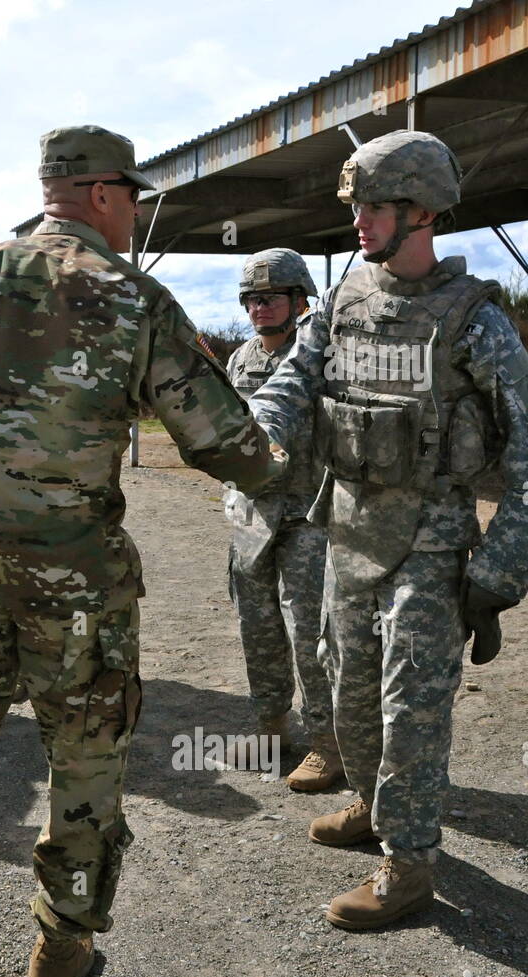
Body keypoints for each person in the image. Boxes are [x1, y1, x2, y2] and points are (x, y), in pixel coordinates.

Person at [0, 125, 287, 977]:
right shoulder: (133, 298)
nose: (133, 220)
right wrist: (281, 463)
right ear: (102, 194)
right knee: (82, 767)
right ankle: (59, 952)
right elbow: (221, 441)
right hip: (78, 590)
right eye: (132, 202)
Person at [248, 130, 528, 929]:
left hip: (428, 538)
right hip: (348, 532)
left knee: (411, 707)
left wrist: (498, 570)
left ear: (420, 211)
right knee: (350, 696)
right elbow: (288, 386)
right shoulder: (347, 302)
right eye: (354, 206)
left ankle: (410, 863)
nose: (356, 221)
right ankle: (368, 801)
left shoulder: (475, 322)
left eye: (371, 207)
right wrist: (254, 437)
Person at [224, 250, 341, 791]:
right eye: (250, 299)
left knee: (309, 632)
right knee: (259, 627)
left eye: (269, 298)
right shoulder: (239, 361)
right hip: (251, 515)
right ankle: (271, 727)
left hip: (307, 514)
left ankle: (328, 743)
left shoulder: (323, 357)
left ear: (299, 301)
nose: (258, 308)